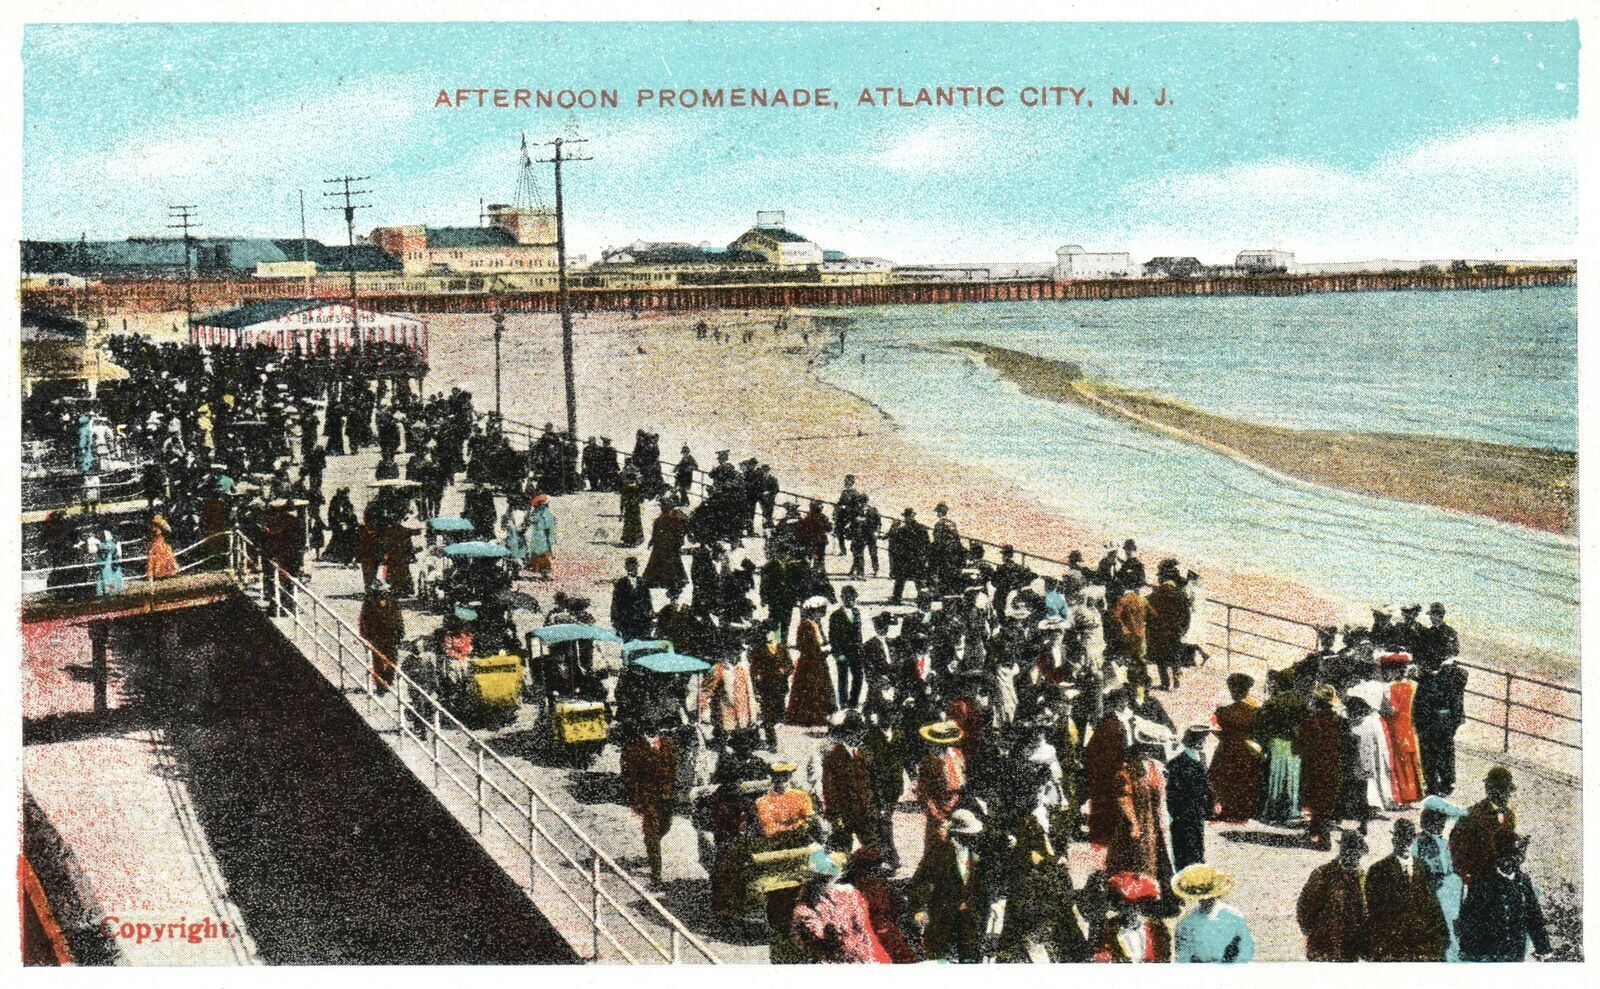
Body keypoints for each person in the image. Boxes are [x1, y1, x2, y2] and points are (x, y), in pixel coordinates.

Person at [907, 809, 999, 963]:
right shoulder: (938, 854)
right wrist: (918, 909)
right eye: (969, 835)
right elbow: (920, 882)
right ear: (957, 834)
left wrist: (985, 908)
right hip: (943, 919)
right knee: (940, 959)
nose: (974, 838)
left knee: (970, 959)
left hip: (969, 921)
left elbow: (983, 887)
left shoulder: (976, 855)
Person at [1458, 832, 1552, 962]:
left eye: (1518, 856)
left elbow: (1534, 917)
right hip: (1489, 955)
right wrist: (1472, 953)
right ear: (1498, 856)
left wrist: (1543, 949)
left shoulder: (1523, 881)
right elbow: (1469, 918)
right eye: (1509, 856)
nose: (1515, 861)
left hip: (1515, 953)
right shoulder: (1484, 881)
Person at [1365, 817, 1449, 961]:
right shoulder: (1378, 870)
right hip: (1392, 945)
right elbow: (1374, 911)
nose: (1405, 844)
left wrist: (1442, 934)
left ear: (1414, 840)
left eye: (1409, 839)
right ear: (1393, 840)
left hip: (1421, 943)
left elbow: (1432, 903)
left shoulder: (1422, 867)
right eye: (1401, 839)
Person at [790, 848, 891, 964]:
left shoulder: (805, 909)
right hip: (862, 952)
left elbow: (809, 938)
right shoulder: (850, 893)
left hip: (845, 955)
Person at [1413, 604, 1466, 796]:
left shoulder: (1449, 634)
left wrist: (1438, 667)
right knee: (1428, 744)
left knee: (1444, 745)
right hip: (1429, 705)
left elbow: (1452, 652)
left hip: (1443, 713)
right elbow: (1419, 653)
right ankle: (1432, 782)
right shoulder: (1427, 634)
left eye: (1436, 615)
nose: (1433, 618)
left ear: (1441, 615)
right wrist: (1424, 667)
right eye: (1432, 615)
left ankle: (1447, 781)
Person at [1296, 829, 1370, 961]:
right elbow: (1304, 907)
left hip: (1349, 948)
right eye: (1349, 851)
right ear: (1342, 851)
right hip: (1323, 946)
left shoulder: (1361, 877)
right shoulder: (1323, 873)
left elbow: (1364, 911)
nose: (1353, 857)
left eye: (1356, 853)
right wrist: (1314, 933)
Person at [620, 723, 679, 884]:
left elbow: (674, 767)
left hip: (666, 797)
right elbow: (630, 777)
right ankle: (656, 875)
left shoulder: (667, 745)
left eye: (654, 732)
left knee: (666, 826)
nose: (653, 734)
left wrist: (673, 789)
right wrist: (635, 800)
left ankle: (651, 846)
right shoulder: (635, 749)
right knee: (652, 833)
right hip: (648, 798)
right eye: (648, 731)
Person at [1414, 795, 1470, 962]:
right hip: (1434, 893)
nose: (1441, 826)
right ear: (1428, 822)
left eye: (1442, 823)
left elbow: (1450, 866)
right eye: (1438, 822)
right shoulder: (1419, 843)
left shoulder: (1442, 841)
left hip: (1450, 893)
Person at [1449, 765, 1518, 888]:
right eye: (1503, 791)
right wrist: (1469, 876)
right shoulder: (1472, 815)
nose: (1507, 796)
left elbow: (1507, 843)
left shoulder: (1509, 815)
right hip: (1480, 880)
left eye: (1508, 791)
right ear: (1491, 791)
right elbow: (1455, 846)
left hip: (1503, 879)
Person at [1295, 685, 1346, 849]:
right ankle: (1316, 831)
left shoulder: (1310, 722)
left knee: (1315, 800)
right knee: (1326, 800)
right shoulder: (1339, 722)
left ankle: (1322, 837)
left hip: (1313, 765)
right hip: (1333, 765)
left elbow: (1298, 746)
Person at [821, 710, 878, 855]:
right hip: (844, 811)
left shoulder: (866, 753)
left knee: (872, 847)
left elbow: (874, 782)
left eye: (860, 733)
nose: (859, 737)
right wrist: (834, 814)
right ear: (846, 735)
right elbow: (829, 789)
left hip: (866, 810)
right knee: (842, 850)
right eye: (855, 733)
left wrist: (876, 806)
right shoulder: (833, 758)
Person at [1172, 864, 1254, 963]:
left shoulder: (1233, 916)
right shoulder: (1186, 922)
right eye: (1201, 898)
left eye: (1207, 898)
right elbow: (1182, 955)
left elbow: (1246, 948)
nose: (1205, 901)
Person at [1255, 669, 1306, 824]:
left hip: (1276, 741)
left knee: (1275, 776)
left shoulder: (1272, 701)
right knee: (1293, 777)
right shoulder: (1301, 701)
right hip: (1294, 743)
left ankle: (1273, 811)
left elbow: (1261, 721)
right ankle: (1292, 810)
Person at [1209, 673, 1261, 823]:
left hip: (1226, 748)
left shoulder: (1222, 711)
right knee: (1244, 779)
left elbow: (1214, 729)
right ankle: (1243, 810)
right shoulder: (1255, 712)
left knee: (1224, 778)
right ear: (1247, 691)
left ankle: (1225, 808)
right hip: (1246, 749)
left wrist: (1225, 737)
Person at [1091, 872, 1169, 963]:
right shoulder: (1107, 930)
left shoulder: (1156, 930)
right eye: (1125, 905)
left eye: (1139, 905)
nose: (1132, 911)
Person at [1167, 725, 1214, 870]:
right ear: (1193, 741)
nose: (1203, 743)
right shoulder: (1178, 763)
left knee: (1197, 841)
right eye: (1201, 740)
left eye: (1204, 740)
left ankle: (1197, 869)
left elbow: (1207, 784)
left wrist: (1209, 804)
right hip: (1183, 811)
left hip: (1197, 809)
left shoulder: (1202, 757)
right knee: (1185, 844)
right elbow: (1172, 792)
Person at [1379, 656, 1425, 806]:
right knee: (1410, 759)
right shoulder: (1413, 686)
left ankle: (1402, 795)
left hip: (1394, 728)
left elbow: (1391, 710)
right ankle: (1414, 794)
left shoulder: (1390, 688)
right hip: (1408, 727)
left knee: (1397, 760)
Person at [915, 719, 966, 850]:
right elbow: (924, 794)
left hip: (958, 809)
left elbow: (963, 781)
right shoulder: (928, 762)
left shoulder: (957, 755)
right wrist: (938, 817)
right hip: (938, 813)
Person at [785, 597, 836, 727]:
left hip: (817, 661)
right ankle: (810, 716)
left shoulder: (816, 623)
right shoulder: (807, 625)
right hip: (810, 662)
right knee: (811, 688)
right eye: (821, 610)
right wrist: (825, 649)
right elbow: (810, 646)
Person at [358, 577, 405, 695]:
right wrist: (365, 635)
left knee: (392, 660)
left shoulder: (393, 601)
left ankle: (388, 681)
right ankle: (380, 685)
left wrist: (400, 631)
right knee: (378, 662)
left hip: (392, 635)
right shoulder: (369, 602)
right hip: (376, 636)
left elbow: (398, 617)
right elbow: (364, 620)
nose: (382, 594)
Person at [748, 627, 792, 748]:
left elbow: (790, 665)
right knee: (768, 714)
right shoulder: (759, 649)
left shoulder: (782, 648)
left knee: (779, 712)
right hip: (766, 687)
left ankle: (778, 734)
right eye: (766, 632)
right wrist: (757, 682)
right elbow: (754, 668)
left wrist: (784, 671)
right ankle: (772, 741)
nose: (768, 635)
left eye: (770, 632)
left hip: (780, 685)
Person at [1145, 575, 1190, 690]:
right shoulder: (1180, 596)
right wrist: (1182, 630)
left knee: (1161, 659)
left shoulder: (1155, 595)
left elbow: (1147, 610)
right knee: (1175, 658)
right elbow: (1186, 616)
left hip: (1159, 631)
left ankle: (1165, 683)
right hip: (1174, 631)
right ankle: (1176, 682)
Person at [829, 586, 866, 709]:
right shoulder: (835, 615)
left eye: (853, 599)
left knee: (858, 676)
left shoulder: (856, 612)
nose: (851, 601)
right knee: (843, 677)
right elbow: (833, 637)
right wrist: (838, 653)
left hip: (856, 651)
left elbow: (859, 633)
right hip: (843, 652)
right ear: (843, 598)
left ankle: (854, 701)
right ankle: (844, 702)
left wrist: (860, 648)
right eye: (848, 598)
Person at [642, 496, 688, 590]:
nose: (663, 509)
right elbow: (656, 530)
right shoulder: (661, 519)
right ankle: (662, 580)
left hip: (670, 544)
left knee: (671, 562)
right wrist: (653, 540)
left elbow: (681, 529)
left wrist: (678, 540)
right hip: (661, 544)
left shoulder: (675, 517)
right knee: (660, 561)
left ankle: (670, 580)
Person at [886, 508, 928, 603]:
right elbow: (927, 544)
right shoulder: (922, 528)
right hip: (917, 559)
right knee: (919, 581)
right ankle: (923, 599)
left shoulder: (902, 529)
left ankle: (897, 599)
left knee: (901, 579)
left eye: (905, 517)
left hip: (906, 559)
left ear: (908, 517)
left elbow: (897, 545)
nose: (905, 519)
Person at [609, 557, 654, 642]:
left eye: (634, 566)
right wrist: (615, 622)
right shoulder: (620, 583)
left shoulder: (643, 582)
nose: (633, 568)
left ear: (637, 566)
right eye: (630, 566)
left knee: (642, 645)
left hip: (642, 621)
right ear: (626, 568)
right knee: (629, 646)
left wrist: (649, 616)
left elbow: (648, 601)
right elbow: (615, 603)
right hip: (626, 621)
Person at [525, 493, 555, 580]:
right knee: (545, 556)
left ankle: (541, 572)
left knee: (538, 555)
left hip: (535, 537)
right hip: (543, 538)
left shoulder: (534, 514)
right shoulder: (547, 513)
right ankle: (545, 574)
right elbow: (549, 528)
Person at [92, 527, 124, 596]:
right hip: (107, 563)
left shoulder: (104, 544)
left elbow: (117, 554)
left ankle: (110, 591)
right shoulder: (102, 544)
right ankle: (110, 591)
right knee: (107, 577)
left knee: (108, 577)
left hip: (108, 563)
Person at [145, 514, 178, 579]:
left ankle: (167, 572)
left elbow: (169, 530)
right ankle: (159, 573)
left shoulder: (161, 525)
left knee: (164, 556)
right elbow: (149, 536)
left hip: (160, 542)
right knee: (157, 557)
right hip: (155, 543)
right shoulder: (152, 527)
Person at [618, 466, 645, 547]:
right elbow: (641, 498)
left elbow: (623, 498)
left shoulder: (626, 486)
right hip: (635, 506)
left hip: (628, 506)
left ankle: (628, 539)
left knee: (628, 523)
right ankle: (636, 539)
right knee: (636, 523)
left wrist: (621, 510)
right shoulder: (638, 486)